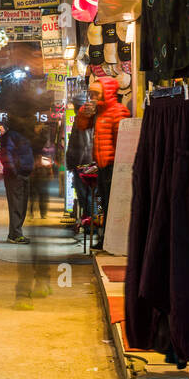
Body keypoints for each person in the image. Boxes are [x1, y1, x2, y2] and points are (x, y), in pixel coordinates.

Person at [74, 73, 130, 248]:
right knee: (103, 204)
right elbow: (82, 126)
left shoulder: (118, 111)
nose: (92, 97)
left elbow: (123, 141)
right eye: (91, 94)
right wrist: (85, 111)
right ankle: (104, 238)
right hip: (102, 165)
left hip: (114, 166)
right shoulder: (98, 111)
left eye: (96, 94)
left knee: (112, 205)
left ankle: (111, 240)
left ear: (106, 92)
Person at [0, 115, 34, 244]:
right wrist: (14, 171)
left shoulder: (21, 135)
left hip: (23, 174)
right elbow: (6, 155)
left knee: (21, 205)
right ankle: (15, 235)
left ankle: (15, 233)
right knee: (16, 205)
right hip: (16, 175)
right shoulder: (11, 136)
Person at [66, 99, 95, 231]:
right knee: (94, 196)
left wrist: (73, 164)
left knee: (86, 196)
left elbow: (80, 145)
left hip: (83, 165)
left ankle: (91, 224)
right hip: (95, 163)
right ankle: (93, 222)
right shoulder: (95, 117)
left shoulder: (81, 120)